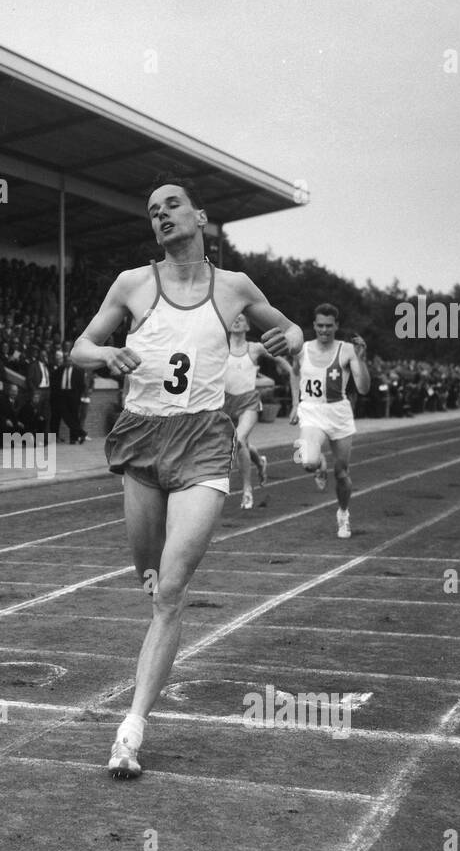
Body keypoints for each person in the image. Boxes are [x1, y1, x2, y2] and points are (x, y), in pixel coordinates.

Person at [71, 179, 302, 780]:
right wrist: (106, 356)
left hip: (202, 442)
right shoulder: (132, 283)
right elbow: (80, 348)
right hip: (142, 439)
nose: (161, 216)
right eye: (152, 211)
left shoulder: (235, 288)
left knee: (171, 591)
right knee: (150, 581)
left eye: (171, 205)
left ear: (199, 216)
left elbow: (293, 331)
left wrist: (288, 337)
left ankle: (131, 728)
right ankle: (157, 638)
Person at [289, 304, 370, 540]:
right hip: (311, 411)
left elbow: (363, 388)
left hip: (339, 413)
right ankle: (319, 464)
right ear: (314, 326)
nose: (324, 330)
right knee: (309, 461)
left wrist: (362, 361)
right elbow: (294, 373)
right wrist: (295, 402)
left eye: (329, 326)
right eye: (320, 325)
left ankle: (343, 513)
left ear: (336, 326)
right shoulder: (301, 349)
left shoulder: (347, 351)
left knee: (342, 472)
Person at [223, 313, 296, 509]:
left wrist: (295, 390)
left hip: (248, 401)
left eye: (241, 318)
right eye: (234, 317)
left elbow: (286, 365)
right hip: (224, 402)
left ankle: (247, 490)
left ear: (248, 325)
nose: (237, 320)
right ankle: (260, 461)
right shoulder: (220, 347)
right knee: (242, 443)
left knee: (238, 441)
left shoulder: (255, 348)